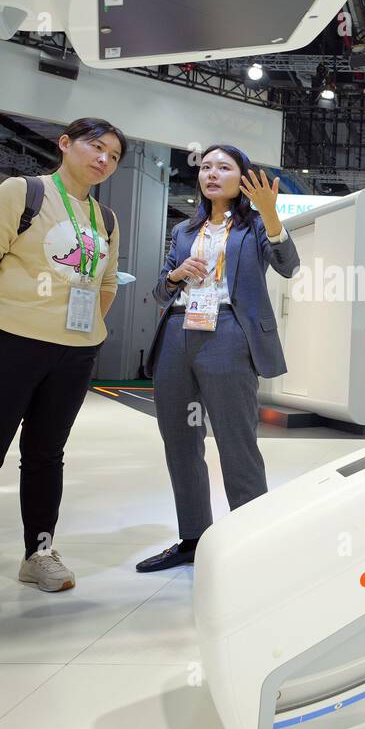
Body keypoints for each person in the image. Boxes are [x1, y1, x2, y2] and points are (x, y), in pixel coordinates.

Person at [0, 118, 127, 617]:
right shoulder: (23, 193)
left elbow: (106, 283)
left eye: (114, 155)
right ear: (65, 145)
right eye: (95, 146)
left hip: (73, 354)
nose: (103, 159)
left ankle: (38, 552)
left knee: (46, 456)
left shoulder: (105, 217)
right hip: (8, 342)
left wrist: (78, 332)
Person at [136, 145, 299, 573]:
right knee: (180, 441)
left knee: (236, 441)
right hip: (176, 331)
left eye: (223, 167)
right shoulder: (184, 232)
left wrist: (271, 215)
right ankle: (193, 538)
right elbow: (158, 293)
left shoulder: (254, 226)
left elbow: (288, 266)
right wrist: (175, 274)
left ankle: (254, 540)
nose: (211, 173)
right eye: (206, 167)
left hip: (228, 333)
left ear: (242, 177)